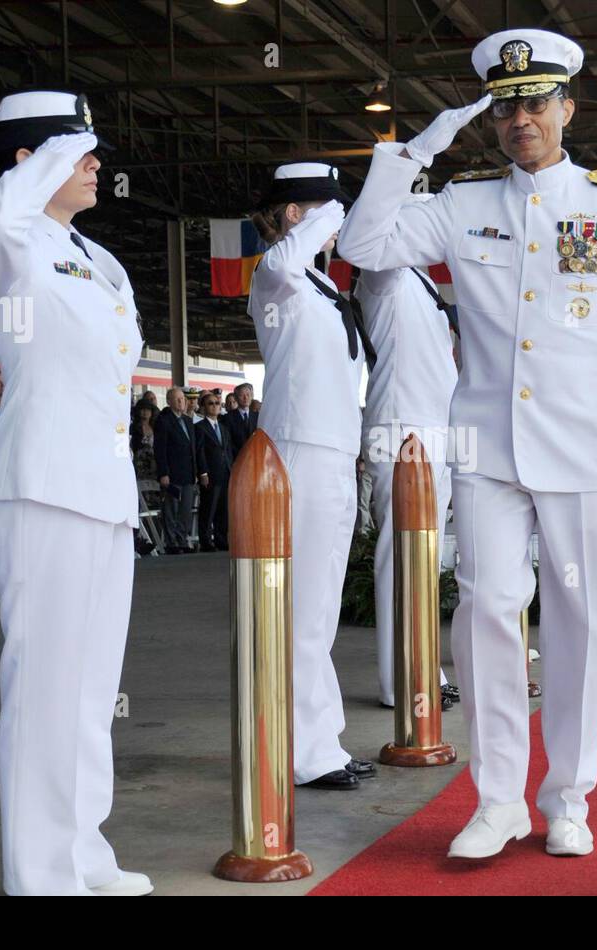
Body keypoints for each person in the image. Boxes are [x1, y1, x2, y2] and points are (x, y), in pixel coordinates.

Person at [338, 27, 597, 857]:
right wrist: (417, 147)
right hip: (487, 446)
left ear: (567, 106)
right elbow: (362, 244)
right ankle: (497, 801)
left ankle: (569, 798)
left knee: (579, 625)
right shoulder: (463, 203)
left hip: (587, 453)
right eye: (504, 107)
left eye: (535, 102)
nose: (521, 118)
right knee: (485, 611)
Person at [0, 89, 149, 895]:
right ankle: (39, 876)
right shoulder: (9, 244)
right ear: (27, 161)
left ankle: (84, 855)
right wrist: (45, 158)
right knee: (44, 688)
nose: (96, 165)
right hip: (41, 485)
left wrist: (62, 149)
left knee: (86, 693)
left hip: (104, 490)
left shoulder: (96, 257)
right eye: (80, 152)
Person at [247, 161, 375, 791]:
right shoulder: (279, 276)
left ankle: (321, 740)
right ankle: (300, 749)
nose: (340, 221)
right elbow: (278, 265)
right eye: (328, 209)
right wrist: (325, 219)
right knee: (297, 610)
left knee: (319, 609)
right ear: (297, 215)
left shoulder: (322, 287)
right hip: (294, 452)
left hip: (333, 452)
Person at [356, 209, 460, 709]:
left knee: (426, 557)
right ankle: (403, 680)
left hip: (433, 429)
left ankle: (425, 668)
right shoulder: (383, 271)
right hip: (399, 428)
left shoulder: (419, 281)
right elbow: (375, 224)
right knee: (400, 557)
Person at [154, 387, 206, 554]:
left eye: (182, 399)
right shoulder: (164, 421)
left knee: (185, 510)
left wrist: (198, 472)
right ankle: (172, 543)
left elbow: (194, 449)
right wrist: (163, 473)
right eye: (177, 399)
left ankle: (182, 540)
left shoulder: (188, 421)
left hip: (188, 473)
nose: (181, 402)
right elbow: (160, 449)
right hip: (172, 474)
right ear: (169, 402)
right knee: (171, 509)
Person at [193, 390, 233, 551]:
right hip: (210, 473)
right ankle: (206, 541)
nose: (215, 406)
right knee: (208, 508)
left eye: (217, 403)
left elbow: (228, 450)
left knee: (223, 508)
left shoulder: (223, 427)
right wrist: (203, 473)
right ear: (203, 407)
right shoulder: (200, 427)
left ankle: (221, 539)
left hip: (225, 472)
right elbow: (199, 451)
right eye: (211, 403)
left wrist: (232, 469)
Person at [222, 382, 258, 452]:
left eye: (248, 395)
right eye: (242, 395)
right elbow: (228, 442)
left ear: (252, 396)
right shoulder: (228, 418)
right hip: (237, 457)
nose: (245, 398)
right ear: (235, 398)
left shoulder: (257, 416)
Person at [130, 403, 158, 482]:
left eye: (148, 410)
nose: (145, 412)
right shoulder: (133, 427)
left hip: (154, 464)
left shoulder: (156, 427)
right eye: (142, 409)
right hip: (138, 463)